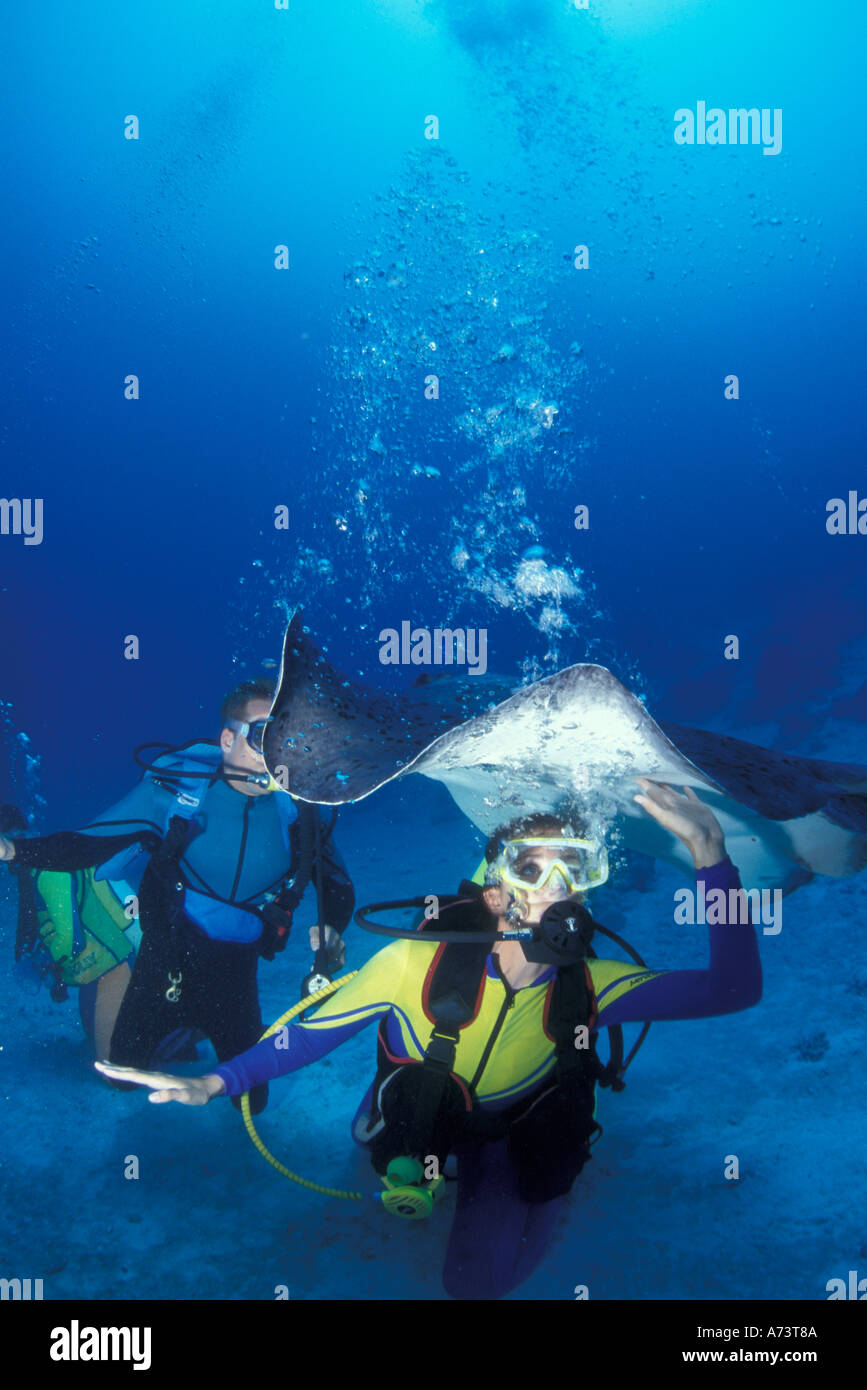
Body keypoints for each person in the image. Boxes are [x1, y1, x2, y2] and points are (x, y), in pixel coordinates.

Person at [95, 779, 762, 1299]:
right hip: (421, 1102)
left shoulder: (594, 983)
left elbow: (731, 990)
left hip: (510, 1125)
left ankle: (542, 1189)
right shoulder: (412, 963)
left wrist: (712, 858)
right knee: (376, 1156)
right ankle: (403, 1130)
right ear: (498, 892)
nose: (555, 892)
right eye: (532, 872)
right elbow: (309, 1035)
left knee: (472, 1284)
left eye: (576, 871)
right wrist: (215, 1081)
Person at [0, 677, 355, 1110]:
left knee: (251, 1101)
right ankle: (116, 973)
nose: (276, 755)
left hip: (235, 975)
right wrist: (16, 849)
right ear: (228, 739)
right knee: (122, 1079)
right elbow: (87, 843)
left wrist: (332, 929)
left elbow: (336, 888)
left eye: (288, 739)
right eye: (263, 736)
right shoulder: (175, 792)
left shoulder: (300, 816)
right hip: (162, 962)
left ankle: (192, 1029)